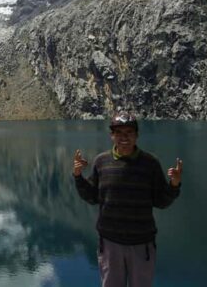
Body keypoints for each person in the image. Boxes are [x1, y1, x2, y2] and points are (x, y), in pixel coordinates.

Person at [73, 112, 182, 287]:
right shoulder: (101, 162)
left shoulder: (150, 163)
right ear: (112, 135)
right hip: (110, 243)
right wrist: (78, 176)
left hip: (141, 243)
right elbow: (92, 197)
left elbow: (161, 201)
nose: (124, 137)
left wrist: (174, 184)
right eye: (119, 133)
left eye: (129, 132)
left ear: (137, 135)